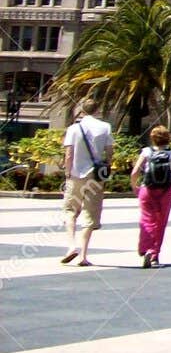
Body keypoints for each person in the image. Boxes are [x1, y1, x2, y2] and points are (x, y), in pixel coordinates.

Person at [60, 97, 113, 267]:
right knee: (90, 215)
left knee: (70, 210)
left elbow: (68, 154)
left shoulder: (74, 129)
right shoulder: (105, 127)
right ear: (97, 110)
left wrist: (68, 173)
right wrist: (106, 167)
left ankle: (71, 246)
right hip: (96, 177)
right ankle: (83, 254)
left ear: (82, 110)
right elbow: (109, 153)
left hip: (76, 174)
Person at [131, 125, 171, 268]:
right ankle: (155, 254)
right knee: (161, 222)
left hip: (147, 189)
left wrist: (134, 186)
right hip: (166, 191)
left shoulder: (146, 152)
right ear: (168, 138)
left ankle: (145, 248)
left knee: (147, 219)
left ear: (152, 138)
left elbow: (135, 172)